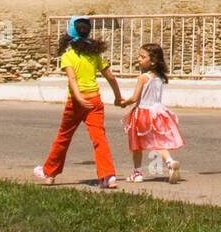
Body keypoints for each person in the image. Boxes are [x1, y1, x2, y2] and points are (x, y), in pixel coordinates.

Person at [34, 17, 124, 187]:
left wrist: (79, 98)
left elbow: (72, 79)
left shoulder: (68, 56)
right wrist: (118, 97)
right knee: (99, 138)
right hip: (95, 101)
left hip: (77, 102)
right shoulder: (94, 55)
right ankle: (108, 176)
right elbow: (110, 76)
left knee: (63, 137)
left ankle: (49, 173)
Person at [117, 43, 184, 183]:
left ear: (152, 61)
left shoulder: (143, 78)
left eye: (143, 57)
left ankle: (137, 172)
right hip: (158, 112)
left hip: (142, 113)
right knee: (158, 142)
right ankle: (170, 162)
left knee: (136, 144)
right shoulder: (160, 78)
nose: (139, 59)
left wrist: (124, 103)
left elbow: (135, 98)